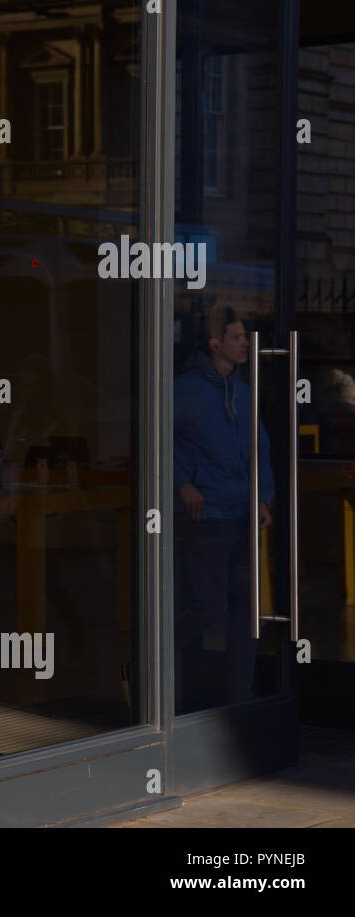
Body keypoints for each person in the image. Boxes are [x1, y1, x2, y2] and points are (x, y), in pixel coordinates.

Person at [173, 302, 275, 709]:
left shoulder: (244, 392)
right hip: (208, 518)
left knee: (245, 615)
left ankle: (241, 701)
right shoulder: (184, 390)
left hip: (243, 518)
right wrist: (182, 484)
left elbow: (260, 451)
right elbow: (157, 438)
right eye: (237, 337)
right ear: (216, 345)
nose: (246, 343)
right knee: (209, 607)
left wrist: (264, 497)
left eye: (245, 336)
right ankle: (145, 663)